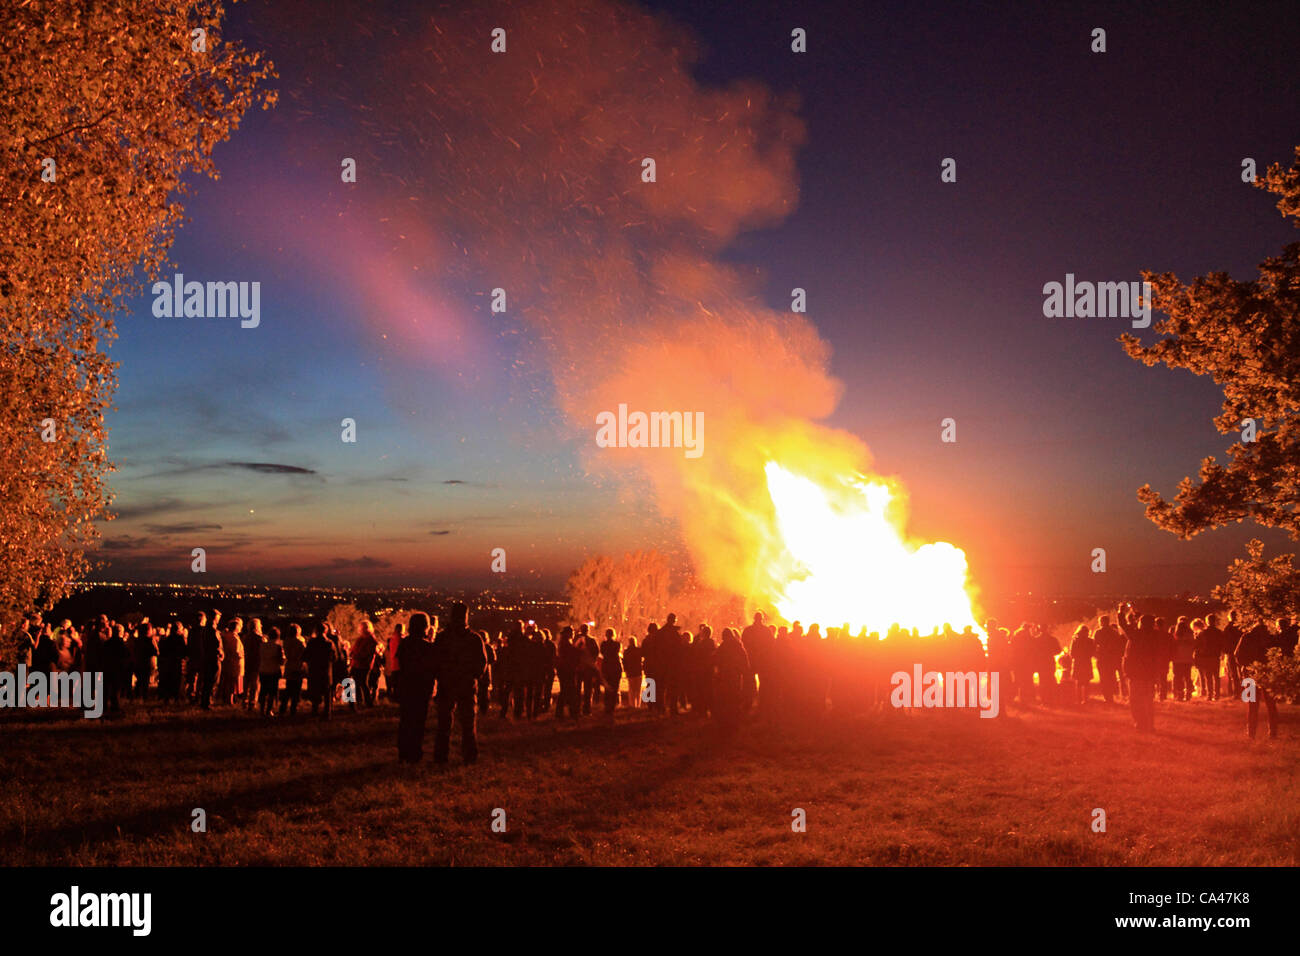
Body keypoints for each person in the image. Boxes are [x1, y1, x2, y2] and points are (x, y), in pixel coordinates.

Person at [432, 602, 488, 765]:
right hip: (466, 686)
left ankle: (441, 757)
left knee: (444, 723)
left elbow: (434, 661)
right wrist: (473, 677)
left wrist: (441, 676)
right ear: (466, 617)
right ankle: (469, 756)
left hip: (447, 685)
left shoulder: (443, 637)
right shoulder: (474, 639)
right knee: (468, 724)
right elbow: (482, 664)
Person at [397, 612, 438, 763]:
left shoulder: (405, 644)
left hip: (406, 686)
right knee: (418, 722)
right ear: (425, 627)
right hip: (421, 689)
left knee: (406, 719)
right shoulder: (427, 647)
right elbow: (433, 668)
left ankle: (403, 751)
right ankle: (414, 752)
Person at [1235, 620, 1278, 739]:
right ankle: (1273, 732)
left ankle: (1251, 733)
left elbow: (1237, 655)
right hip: (1268, 674)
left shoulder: (1247, 637)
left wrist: (1246, 666)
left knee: (1252, 704)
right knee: (1271, 704)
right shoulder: (1271, 638)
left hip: (1250, 674)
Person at [713, 626, 751, 731]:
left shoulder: (724, 646)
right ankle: (732, 722)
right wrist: (745, 673)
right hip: (733, 677)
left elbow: (715, 659)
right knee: (733, 699)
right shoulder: (737, 646)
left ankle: (726, 722)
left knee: (727, 700)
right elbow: (744, 661)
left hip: (726, 677)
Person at [303, 624, 336, 720]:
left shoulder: (312, 642)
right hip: (326, 670)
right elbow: (335, 657)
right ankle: (327, 712)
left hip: (314, 670)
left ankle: (314, 711)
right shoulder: (329, 643)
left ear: (316, 631)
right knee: (327, 693)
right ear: (325, 631)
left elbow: (305, 656)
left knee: (315, 691)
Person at [349, 619, 381, 708]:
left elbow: (368, 653)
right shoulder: (360, 639)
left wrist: (358, 656)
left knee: (362, 683)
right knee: (354, 682)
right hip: (356, 663)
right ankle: (355, 702)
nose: (363, 630)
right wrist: (352, 653)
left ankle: (366, 702)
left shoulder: (371, 640)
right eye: (362, 628)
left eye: (365, 628)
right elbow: (354, 649)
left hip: (364, 665)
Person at [1093, 615, 1125, 703]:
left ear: (1101, 622)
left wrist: (1096, 655)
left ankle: (1107, 696)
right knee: (1111, 677)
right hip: (1112, 658)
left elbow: (1094, 645)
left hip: (1102, 658)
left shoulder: (1098, 632)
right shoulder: (1114, 632)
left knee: (1104, 678)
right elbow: (1119, 645)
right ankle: (1111, 695)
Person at [196, 610, 223, 710]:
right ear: (214, 618)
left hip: (207, 658)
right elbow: (216, 645)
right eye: (218, 617)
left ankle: (204, 701)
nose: (218, 620)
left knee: (207, 681)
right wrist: (220, 653)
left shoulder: (205, 630)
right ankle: (207, 702)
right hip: (213, 659)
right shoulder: (212, 631)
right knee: (212, 681)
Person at [258, 627, 285, 717]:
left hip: (263, 670)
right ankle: (269, 710)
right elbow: (281, 661)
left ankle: (261, 709)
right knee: (272, 692)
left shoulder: (262, 646)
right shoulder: (278, 647)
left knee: (263, 690)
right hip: (273, 671)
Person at [218, 618, 245, 707]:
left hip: (227, 662)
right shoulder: (234, 638)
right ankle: (230, 701)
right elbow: (236, 652)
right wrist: (242, 655)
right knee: (233, 683)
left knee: (228, 681)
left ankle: (226, 699)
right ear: (236, 628)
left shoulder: (226, 636)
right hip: (235, 663)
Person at [282, 623, 307, 715]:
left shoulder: (286, 641)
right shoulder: (300, 642)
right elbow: (305, 653)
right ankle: (293, 708)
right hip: (297, 666)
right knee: (296, 689)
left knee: (288, 688)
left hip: (289, 666)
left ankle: (283, 707)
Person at [599, 627, 623, 716]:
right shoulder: (617, 644)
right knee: (615, 687)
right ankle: (612, 706)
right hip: (615, 667)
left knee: (607, 687)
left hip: (606, 667)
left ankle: (607, 706)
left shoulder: (603, 644)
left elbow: (602, 653)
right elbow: (617, 652)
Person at [1068, 624, 1094, 704]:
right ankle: (1086, 699)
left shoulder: (1075, 640)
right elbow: (1092, 652)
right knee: (1086, 682)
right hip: (1086, 662)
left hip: (1078, 662)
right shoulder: (1090, 641)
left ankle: (1079, 699)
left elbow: (1072, 653)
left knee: (1079, 682)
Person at [385, 621, 404, 703]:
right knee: (399, 684)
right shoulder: (400, 639)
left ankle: (394, 699)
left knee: (395, 684)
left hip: (393, 665)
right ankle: (398, 700)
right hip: (400, 664)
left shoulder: (391, 639)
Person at [623, 636, 643, 709]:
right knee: (638, 690)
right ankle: (638, 705)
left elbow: (624, 662)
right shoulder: (639, 650)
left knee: (631, 690)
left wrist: (626, 671)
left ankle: (632, 705)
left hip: (630, 672)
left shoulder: (626, 651)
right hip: (638, 672)